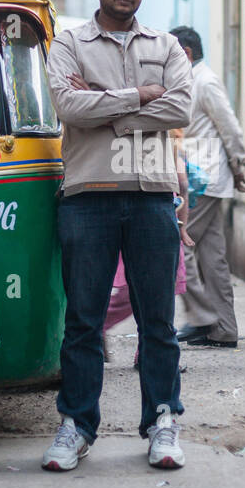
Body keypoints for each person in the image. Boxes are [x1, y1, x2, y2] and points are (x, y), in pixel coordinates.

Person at [41, 0, 193, 472]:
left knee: (158, 322)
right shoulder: (68, 43)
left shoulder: (167, 45)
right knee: (83, 320)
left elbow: (182, 106)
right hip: (88, 197)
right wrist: (140, 95)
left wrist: (108, 108)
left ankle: (162, 422)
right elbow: (67, 105)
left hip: (152, 198)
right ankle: (77, 426)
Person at [172, 26, 245, 349]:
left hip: (203, 180)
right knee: (211, 256)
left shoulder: (204, 81)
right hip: (204, 178)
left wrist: (238, 163)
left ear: (186, 54)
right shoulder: (191, 81)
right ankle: (223, 328)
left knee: (179, 245)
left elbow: (229, 125)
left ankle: (203, 317)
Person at [103, 128, 194, 370]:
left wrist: (182, 228)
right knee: (156, 297)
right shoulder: (167, 143)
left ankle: (145, 351)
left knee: (145, 295)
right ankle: (104, 329)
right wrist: (181, 227)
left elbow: (183, 188)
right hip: (160, 224)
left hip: (154, 220)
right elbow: (183, 187)